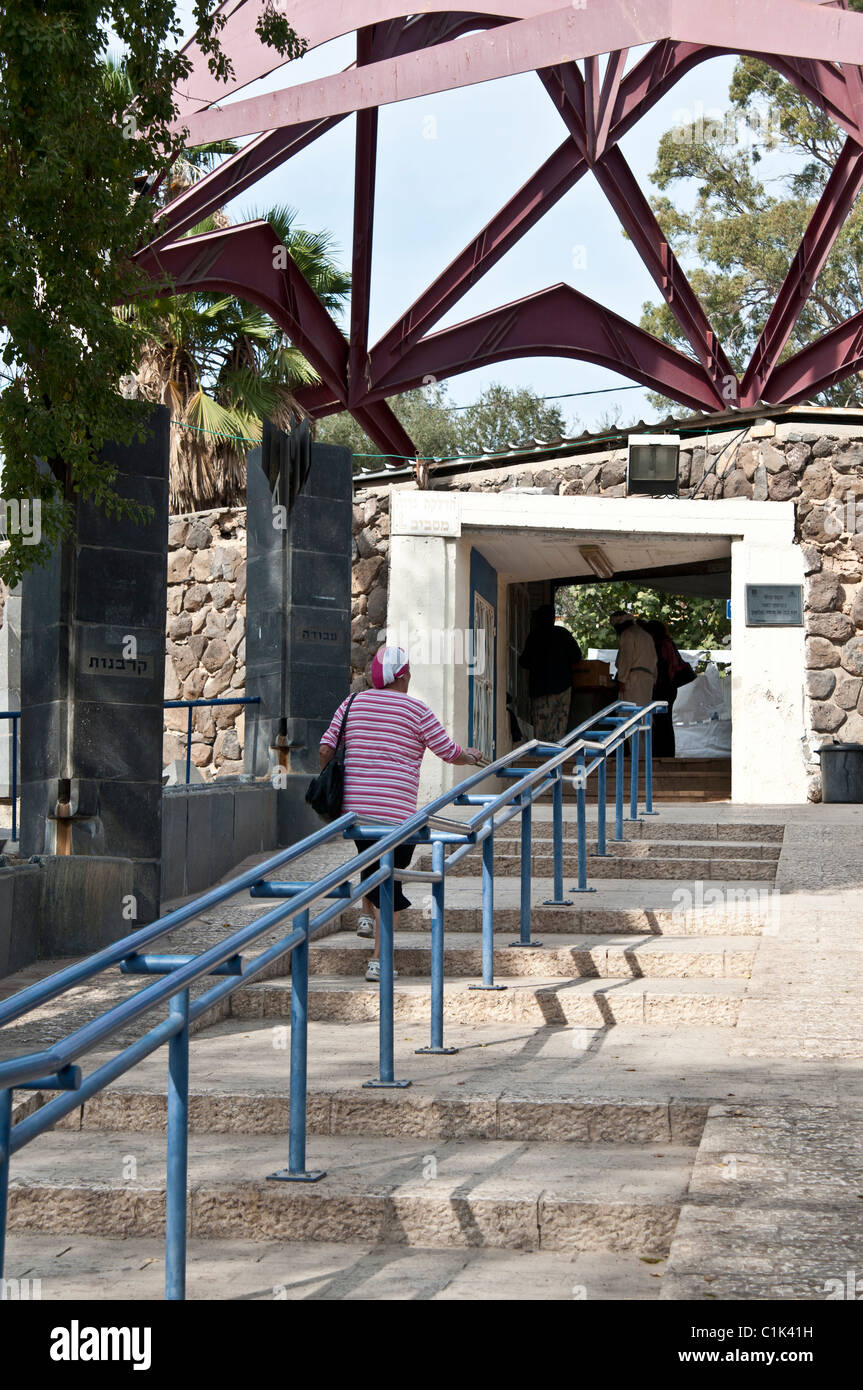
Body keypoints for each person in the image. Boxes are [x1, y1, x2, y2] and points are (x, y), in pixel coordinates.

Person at [319, 645, 483, 982]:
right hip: (396, 816)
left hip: (355, 813)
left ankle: (366, 912)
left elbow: (325, 748)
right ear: (404, 676)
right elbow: (448, 752)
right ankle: (379, 959)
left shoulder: (352, 703)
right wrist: (469, 756)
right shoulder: (416, 710)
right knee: (389, 877)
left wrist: (338, 781)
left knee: (370, 858)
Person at [519, 604, 582, 742]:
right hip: (562, 687)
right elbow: (577, 656)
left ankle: (542, 756)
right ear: (553, 618)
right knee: (559, 724)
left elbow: (524, 661)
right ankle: (556, 752)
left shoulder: (534, 637)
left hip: (540, 689)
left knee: (540, 726)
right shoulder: (563, 634)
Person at [643, 618, 678, 757]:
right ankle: (667, 752)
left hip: (661, 687)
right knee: (666, 721)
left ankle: (659, 752)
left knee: (658, 721)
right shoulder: (670, 643)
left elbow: (659, 667)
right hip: (670, 687)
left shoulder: (658, 645)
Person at [609, 609, 657, 707]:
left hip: (633, 679)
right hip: (647, 679)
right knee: (644, 711)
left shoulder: (627, 634)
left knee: (630, 711)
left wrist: (622, 679)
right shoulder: (646, 635)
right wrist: (654, 678)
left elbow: (626, 658)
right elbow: (654, 659)